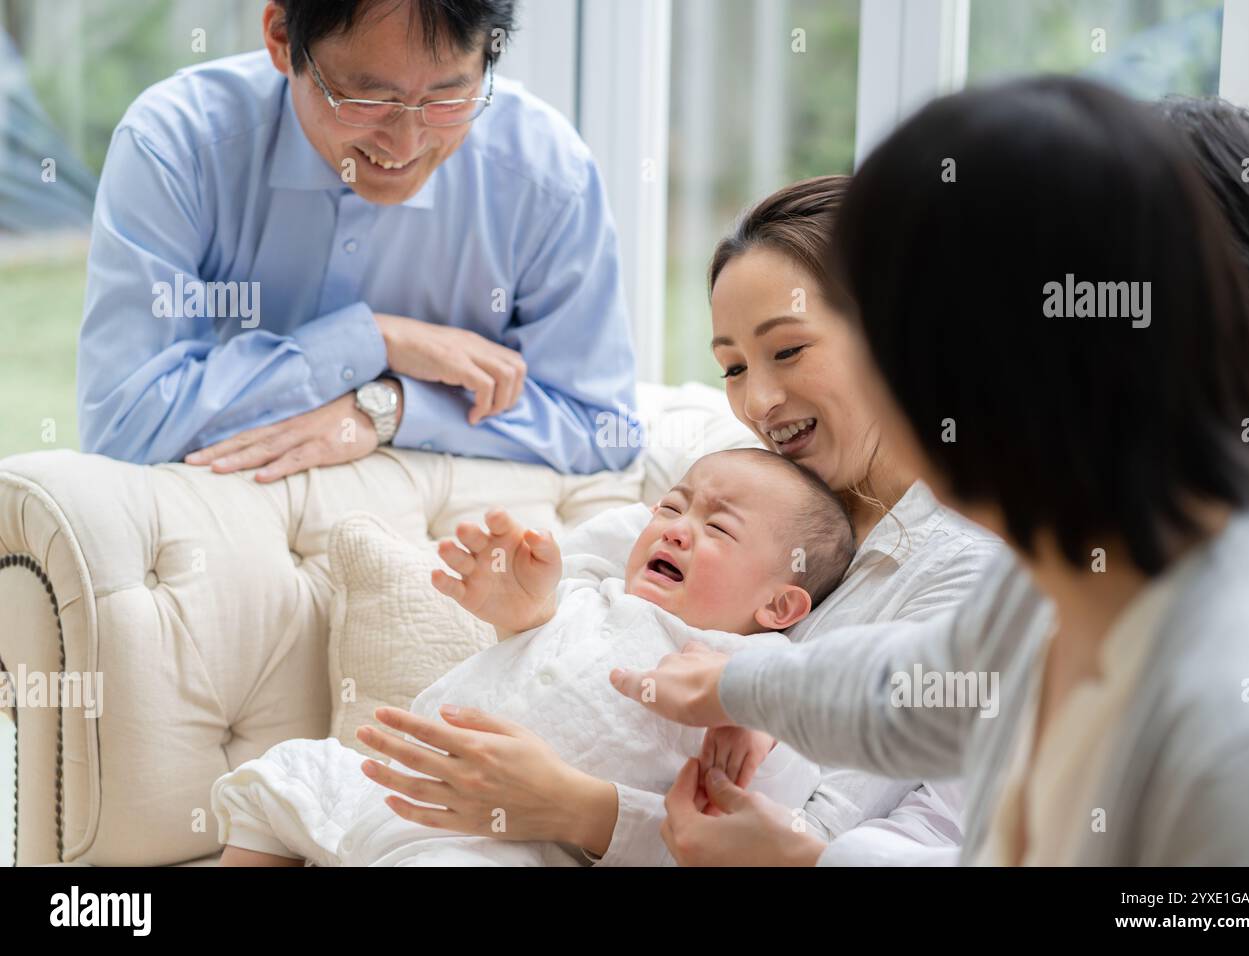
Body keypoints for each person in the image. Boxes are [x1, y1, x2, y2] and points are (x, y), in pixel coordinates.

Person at [613, 76, 1249, 865]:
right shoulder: (1074, 548)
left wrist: (806, 863)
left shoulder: (1247, 724)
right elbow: (927, 689)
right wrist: (737, 688)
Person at [349, 176, 1004, 866]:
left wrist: (575, 806)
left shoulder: (962, 578)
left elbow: (810, 843)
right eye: (732, 367)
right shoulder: (736, 476)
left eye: (787, 351)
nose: (759, 400)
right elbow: (574, 608)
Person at [77, 0, 638, 478]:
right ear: (280, 38)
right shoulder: (177, 146)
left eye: (449, 98)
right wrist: (373, 340)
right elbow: (123, 426)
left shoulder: (544, 173)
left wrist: (389, 405)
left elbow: (602, 428)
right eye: (367, 100)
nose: (404, 144)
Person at [211, 449, 848, 865]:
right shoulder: (590, 591)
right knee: (284, 774)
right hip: (387, 789)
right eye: (672, 507)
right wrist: (515, 606)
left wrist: (754, 713)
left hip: (505, 845)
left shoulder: (746, 667)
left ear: (780, 606)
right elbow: (532, 633)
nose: (676, 529)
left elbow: (777, 807)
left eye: (719, 529)